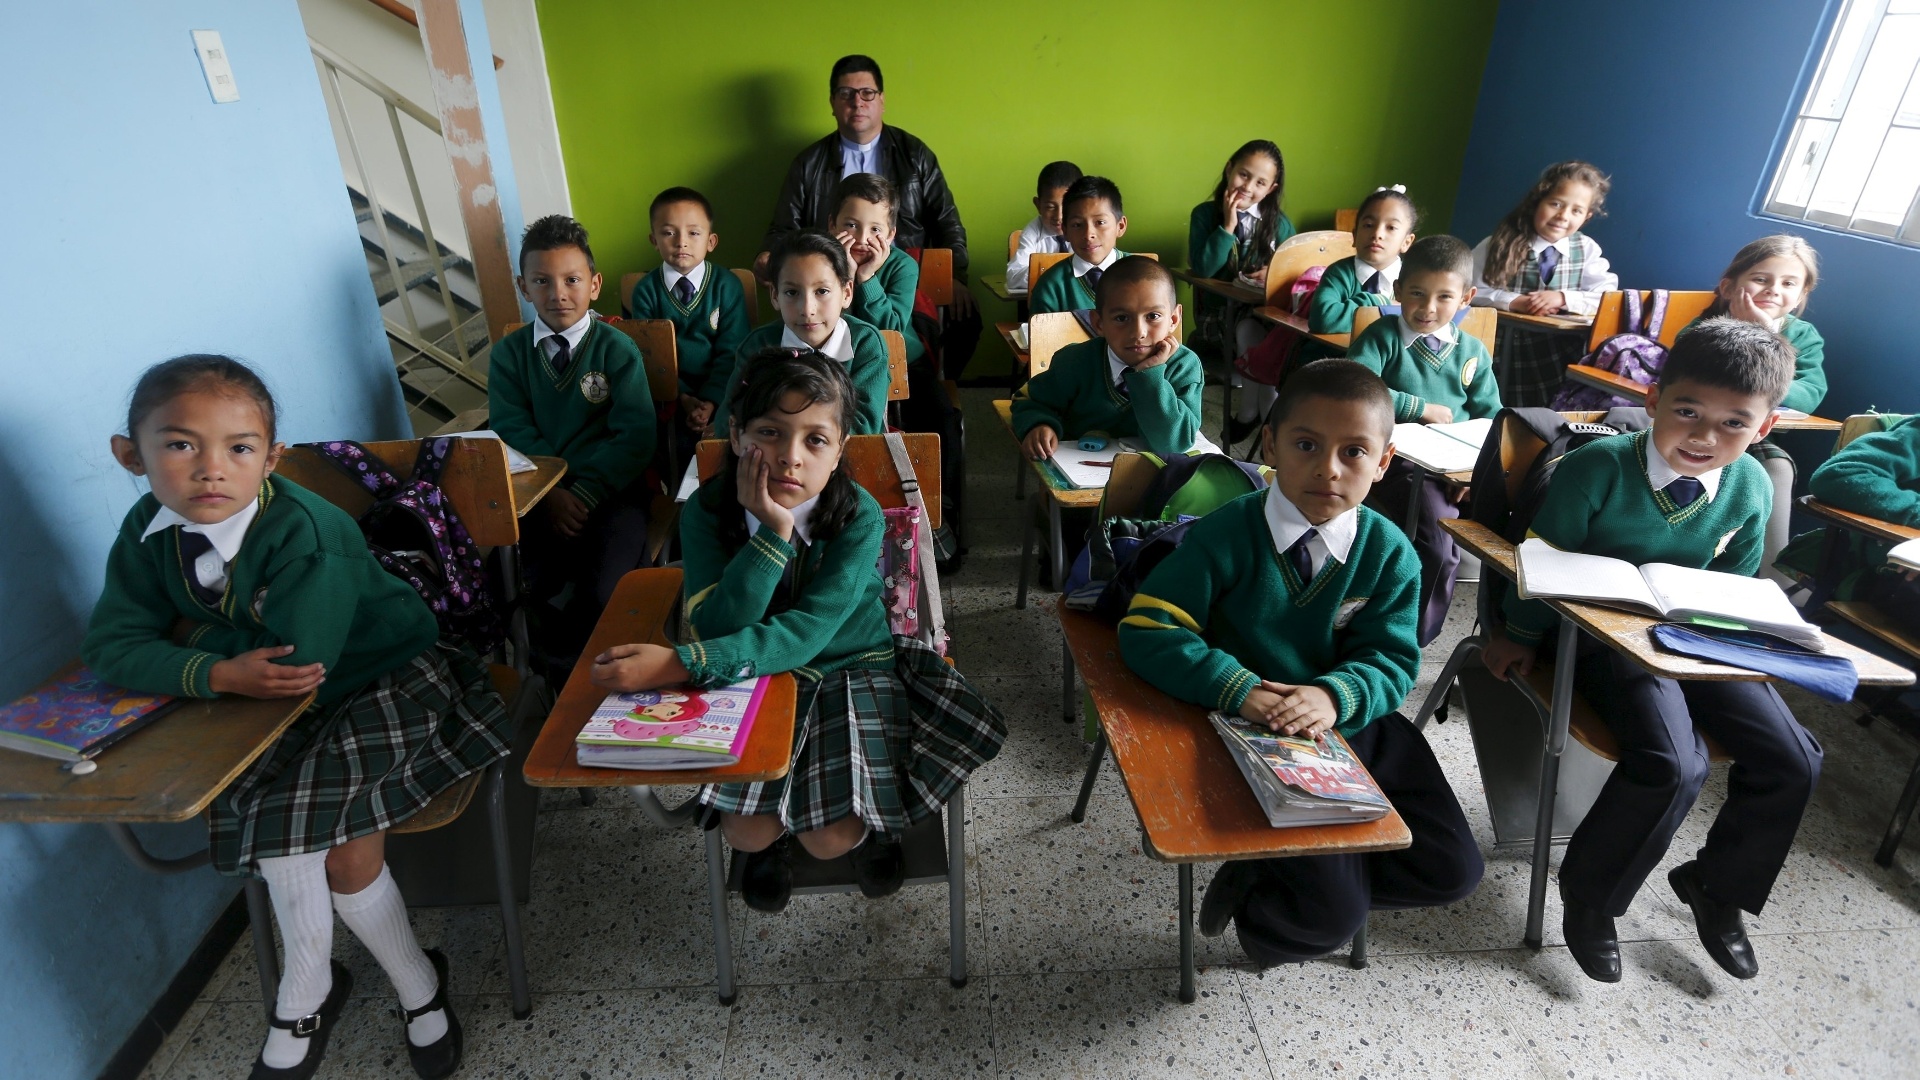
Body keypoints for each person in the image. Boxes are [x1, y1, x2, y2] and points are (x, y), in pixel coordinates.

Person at [82, 356, 511, 1080]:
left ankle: (331, 991)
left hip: (384, 679)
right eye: (181, 444)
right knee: (300, 830)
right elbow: (109, 646)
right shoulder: (145, 532)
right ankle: (394, 986)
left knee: (332, 848)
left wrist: (181, 639)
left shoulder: (304, 530)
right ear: (131, 454)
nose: (211, 469)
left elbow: (298, 663)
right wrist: (215, 668)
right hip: (259, 703)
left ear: (272, 459)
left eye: (239, 448)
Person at [590, 350, 1005, 911]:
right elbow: (715, 622)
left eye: (815, 440)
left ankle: (874, 828)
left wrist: (680, 663)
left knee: (830, 837)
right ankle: (774, 841)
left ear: (839, 451)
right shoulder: (707, 511)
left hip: (850, 667)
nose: (789, 457)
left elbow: (809, 631)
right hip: (751, 673)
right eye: (769, 432)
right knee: (744, 832)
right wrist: (773, 535)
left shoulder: (856, 513)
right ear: (736, 436)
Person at [1482, 319, 1819, 984]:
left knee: (1796, 756)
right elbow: (1541, 564)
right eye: (1688, 412)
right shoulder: (1596, 469)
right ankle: (1591, 895)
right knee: (1674, 762)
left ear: (1766, 424)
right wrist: (1516, 637)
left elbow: (1735, 578)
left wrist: (1736, 643)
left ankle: (1717, 888)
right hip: (1607, 637)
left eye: (1733, 423)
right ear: (1656, 396)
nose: (1703, 437)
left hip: (1694, 634)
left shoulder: (1750, 484)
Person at [1116, 359, 1482, 967]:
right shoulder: (1226, 533)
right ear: (1271, 445)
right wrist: (1237, 688)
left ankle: (1271, 878)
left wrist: (1336, 695)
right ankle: (1278, 910)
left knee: (1452, 872)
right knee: (1331, 915)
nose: (1328, 469)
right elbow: (1149, 629)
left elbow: (1392, 660)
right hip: (1246, 723)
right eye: (1307, 445)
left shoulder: (1391, 554)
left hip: (1351, 719)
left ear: (1384, 463)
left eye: (1354, 452)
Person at [489, 215, 655, 666]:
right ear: (524, 288)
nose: (558, 293)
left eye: (572, 279)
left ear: (595, 284)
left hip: (611, 495)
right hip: (540, 499)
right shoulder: (509, 354)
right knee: (506, 585)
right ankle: (551, 672)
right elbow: (510, 428)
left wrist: (582, 492)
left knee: (605, 592)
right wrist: (551, 495)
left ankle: (583, 672)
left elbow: (635, 436)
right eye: (542, 281)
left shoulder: (616, 349)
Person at [757, 54, 981, 379]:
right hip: (831, 273)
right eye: (846, 94)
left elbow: (946, 220)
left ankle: (937, 392)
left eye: (867, 93)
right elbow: (782, 229)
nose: (857, 102)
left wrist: (956, 277)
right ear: (833, 102)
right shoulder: (808, 163)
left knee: (964, 317)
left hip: (902, 274)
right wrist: (769, 256)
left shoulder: (914, 154)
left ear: (881, 100)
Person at [1347, 235, 1502, 643]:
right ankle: (1408, 640)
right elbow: (1355, 385)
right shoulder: (1382, 338)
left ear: (1466, 298)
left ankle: (1504, 638)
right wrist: (1419, 407)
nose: (1428, 308)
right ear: (1398, 290)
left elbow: (1492, 419)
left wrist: (1477, 475)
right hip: (1397, 463)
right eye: (1416, 293)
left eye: (1444, 297)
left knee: (1519, 531)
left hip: (1458, 469)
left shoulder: (1472, 351)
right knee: (1438, 545)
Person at [1679, 235, 1825, 575]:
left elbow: (1810, 394)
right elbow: (1699, 376)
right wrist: (1758, 336)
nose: (1774, 290)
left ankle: (1775, 578)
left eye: (1789, 283)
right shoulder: (1705, 327)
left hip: (1751, 437)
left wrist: (1767, 340)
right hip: (1690, 428)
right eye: (1761, 278)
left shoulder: (1804, 335)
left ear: (1801, 295)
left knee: (1778, 468)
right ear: (1729, 288)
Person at [1011, 256, 1206, 460]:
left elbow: (1172, 444)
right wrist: (1039, 423)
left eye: (1153, 316)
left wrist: (1149, 376)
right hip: (1078, 475)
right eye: (1122, 318)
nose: (1138, 332)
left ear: (1174, 319)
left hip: (1155, 478)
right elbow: (1029, 399)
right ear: (1099, 323)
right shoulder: (1075, 361)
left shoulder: (1184, 366)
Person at [1469, 160, 1619, 406]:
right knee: (1502, 411)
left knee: (1547, 416)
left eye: (1576, 211)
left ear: (1587, 217)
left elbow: (1608, 297)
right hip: (1504, 354)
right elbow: (1467, 289)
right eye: (1556, 204)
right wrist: (1513, 301)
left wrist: (1563, 297)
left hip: (1559, 356)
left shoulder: (1586, 249)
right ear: (1537, 200)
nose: (1563, 216)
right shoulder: (1499, 243)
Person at [715, 231, 890, 437]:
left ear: (847, 293)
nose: (807, 309)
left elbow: (862, 430)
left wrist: (781, 433)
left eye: (822, 291)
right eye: (791, 292)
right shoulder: (758, 345)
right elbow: (728, 423)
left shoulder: (865, 344)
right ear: (774, 295)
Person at [626, 186, 752, 467]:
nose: (681, 242)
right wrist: (682, 397)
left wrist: (710, 401)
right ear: (654, 240)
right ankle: (679, 505)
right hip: (669, 396)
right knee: (673, 448)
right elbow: (650, 357)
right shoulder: (646, 291)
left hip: (723, 390)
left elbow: (732, 351)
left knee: (730, 445)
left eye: (694, 233)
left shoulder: (726, 286)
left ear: (711, 241)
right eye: (669, 233)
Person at [1189, 140, 1294, 426]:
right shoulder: (1203, 215)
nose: (1248, 187)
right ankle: (1265, 415)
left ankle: (1251, 413)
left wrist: (1272, 273)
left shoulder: (1279, 224)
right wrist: (1228, 225)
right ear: (1228, 169)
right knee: (1250, 328)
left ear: (1271, 189)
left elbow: (1297, 270)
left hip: (1267, 316)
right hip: (1219, 317)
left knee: (1263, 331)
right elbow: (1203, 268)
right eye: (1244, 175)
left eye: (1260, 182)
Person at [1028, 176, 1131, 315]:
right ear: (1065, 231)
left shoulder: (1145, 275)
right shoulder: (1051, 286)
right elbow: (1040, 336)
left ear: (1121, 226)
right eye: (1077, 225)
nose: (1088, 235)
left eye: (1100, 222)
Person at [1007, 160, 1084, 291]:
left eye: (1066, 206)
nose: (1059, 216)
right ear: (1038, 205)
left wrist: (1041, 272)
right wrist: (1059, 275)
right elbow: (1014, 278)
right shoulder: (1033, 232)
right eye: (1050, 207)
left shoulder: (1088, 231)